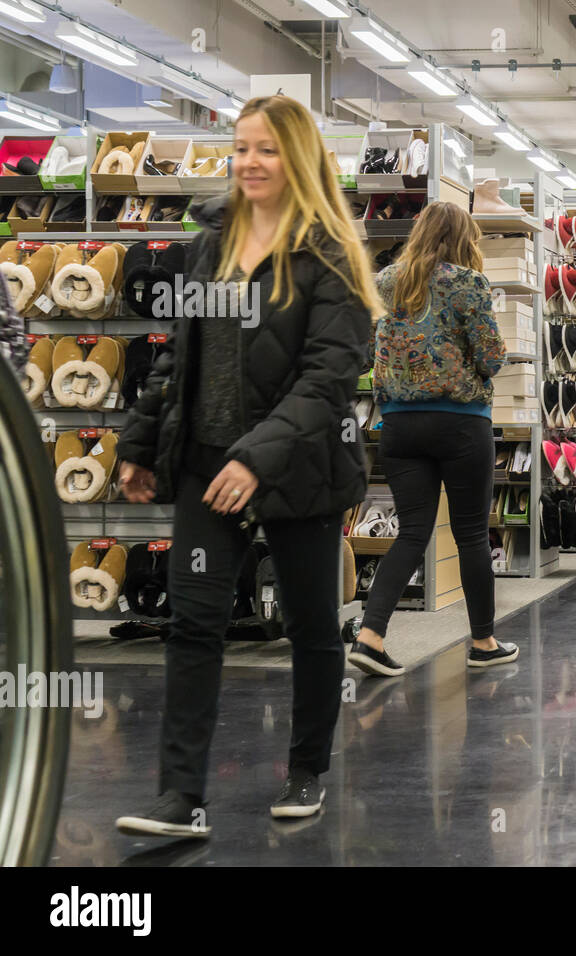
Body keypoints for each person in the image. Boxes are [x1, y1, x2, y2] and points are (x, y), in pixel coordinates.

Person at [114, 95, 380, 837]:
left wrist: (258, 461)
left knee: (310, 624)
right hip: (205, 465)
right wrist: (139, 442)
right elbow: (179, 358)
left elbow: (327, 380)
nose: (249, 163)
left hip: (300, 471)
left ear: (297, 158)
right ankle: (180, 796)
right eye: (240, 148)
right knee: (195, 623)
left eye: (265, 149)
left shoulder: (328, 255)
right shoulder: (211, 246)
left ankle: (305, 769)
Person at [347, 202, 513, 677]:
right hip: (461, 422)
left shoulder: (386, 281)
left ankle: (371, 635)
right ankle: (483, 642)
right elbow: (490, 356)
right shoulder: (468, 283)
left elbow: (372, 349)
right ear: (465, 238)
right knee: (471, 536)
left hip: (398, 423)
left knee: (412, 533)